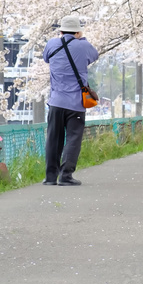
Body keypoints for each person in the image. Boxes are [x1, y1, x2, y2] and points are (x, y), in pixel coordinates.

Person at [42, 14, 99, 186]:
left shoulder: (52, 44)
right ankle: (66, 176)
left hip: (56, 102)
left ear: (60, 30)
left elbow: (46, 58)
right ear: (78, 32)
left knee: (53, 139)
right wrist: (82, 39)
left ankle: (50, 177)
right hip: (76, 104)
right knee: (73, 138)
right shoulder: (83, 46)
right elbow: (94, 55)